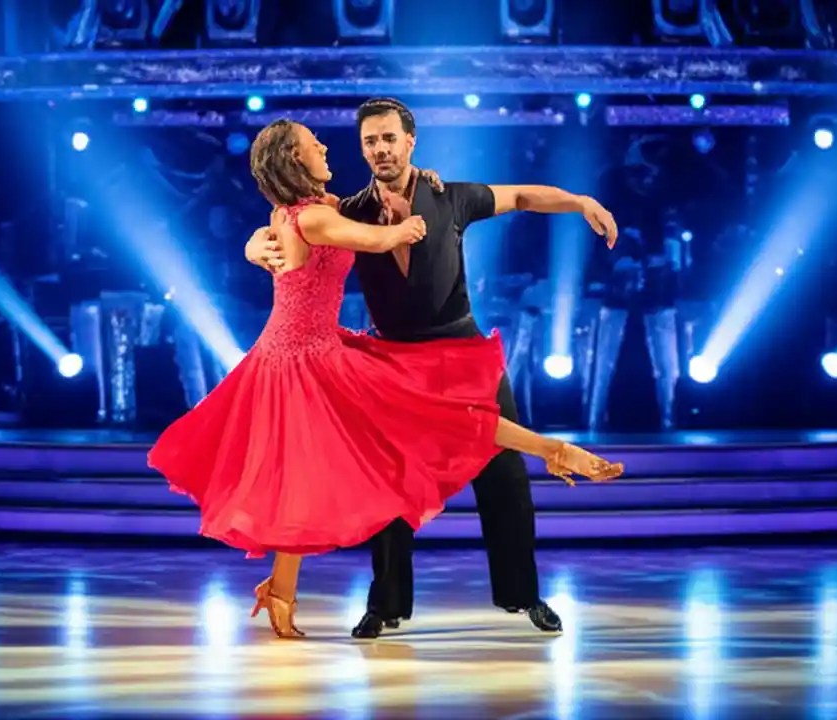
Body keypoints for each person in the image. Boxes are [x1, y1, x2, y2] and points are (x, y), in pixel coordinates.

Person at [150, 118, 622, 640]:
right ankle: (385, 604)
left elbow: (525, 196)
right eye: (369, 141)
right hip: (378, 353)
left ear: (409, 142)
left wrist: (580, 200)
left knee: (498, 472)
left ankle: (523, 593)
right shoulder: (345, 209)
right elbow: (292, 225)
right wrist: (254, 245)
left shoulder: (450, 196)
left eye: (388, 138)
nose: (378, 148)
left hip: (459, 350)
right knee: (375, 475)